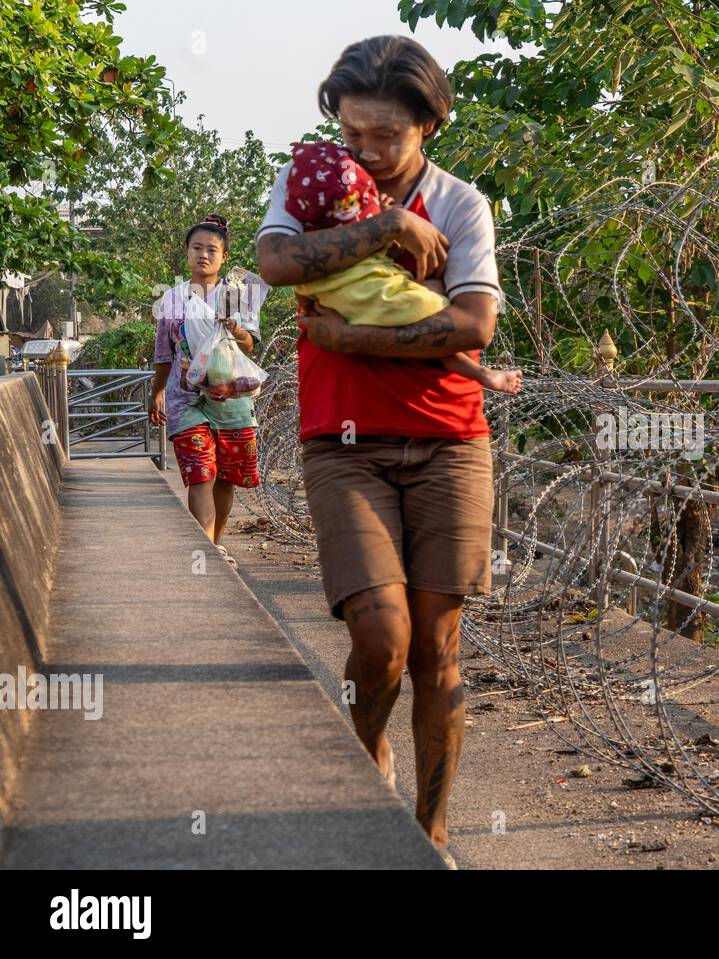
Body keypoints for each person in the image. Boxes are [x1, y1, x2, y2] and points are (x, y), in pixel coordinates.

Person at [257, 34, 504, 867]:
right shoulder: (317, 182)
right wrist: (385, 224)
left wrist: (352, 338)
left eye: (384, 137)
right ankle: (366, 757)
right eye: (351, 130)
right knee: (382, 638)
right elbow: (276, 261)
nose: (364, 149)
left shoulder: (463, 205)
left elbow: (473, 326)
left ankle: (429, 835)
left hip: (450, 441)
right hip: (345, 446)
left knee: (438, 646)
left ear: (429, 126)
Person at [285, 139, 520, 394]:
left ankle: (481, 373)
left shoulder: (313, 256)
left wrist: (312, 310)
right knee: (436, 299)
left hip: (353, 311)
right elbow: (394, 249)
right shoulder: (358, 234)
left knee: (428, 302)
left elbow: (303, 293)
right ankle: (482, 373)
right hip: (387, 300)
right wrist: (384, 217)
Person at [148, 215, 264, 570]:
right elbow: (164, 354)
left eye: (212, 249)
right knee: (201, 474)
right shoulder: (172, 299)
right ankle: (207, 554)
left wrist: (234, 327)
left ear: (224, 257)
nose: (203, 255)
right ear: (187, 253)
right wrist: (157, 393)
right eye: (197, 248)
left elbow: (249, 346)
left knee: (226, 476)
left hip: (231, 397)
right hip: (186, 400)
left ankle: (214, 544)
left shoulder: (237, 296)